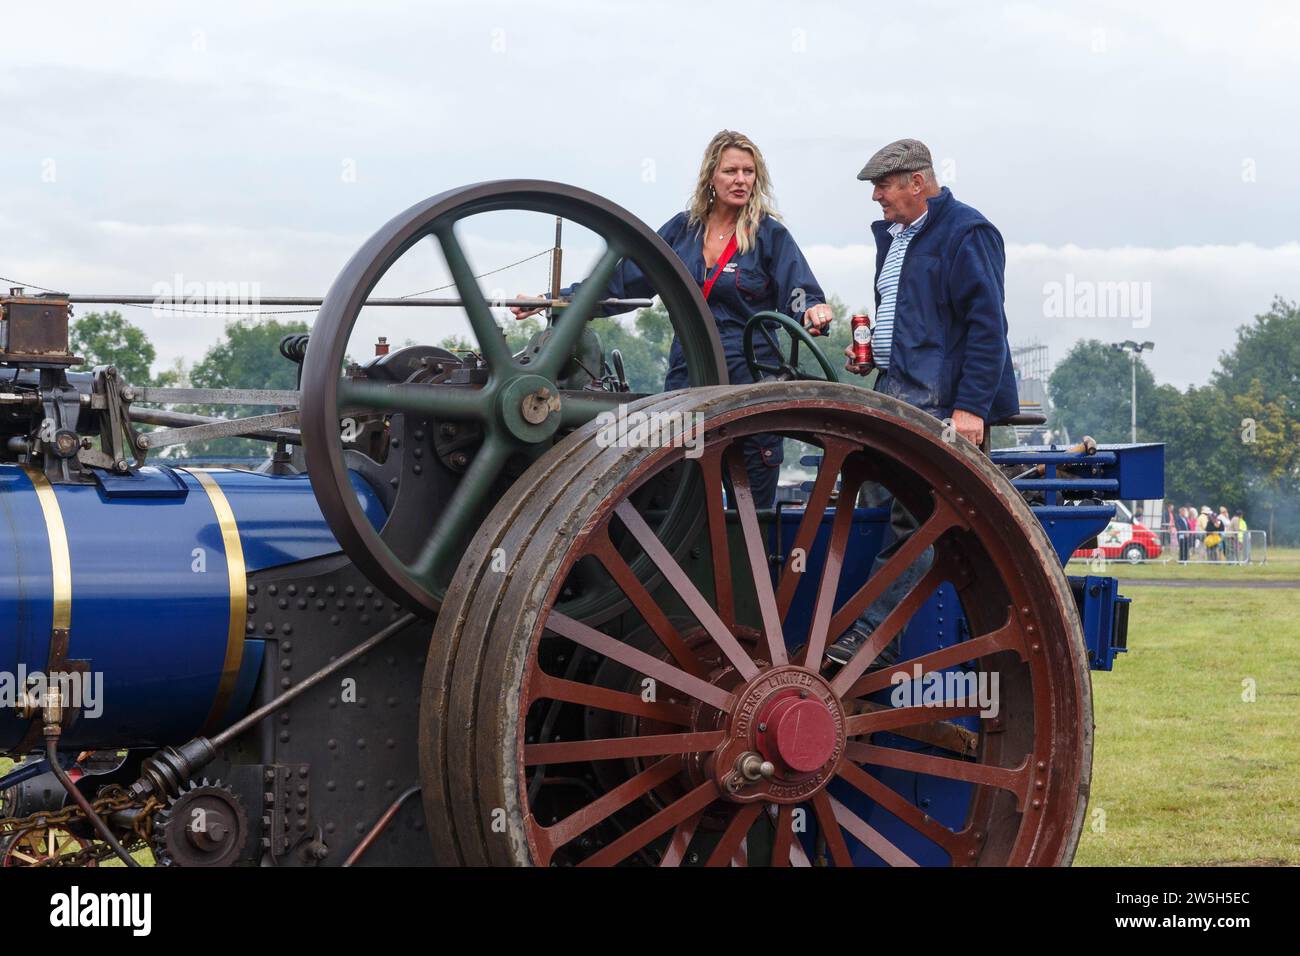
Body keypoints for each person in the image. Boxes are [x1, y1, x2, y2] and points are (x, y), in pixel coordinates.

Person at [511, 129, 832, 509]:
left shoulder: (770, 236)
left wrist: (813, 309)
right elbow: (621, 283)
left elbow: (800, 292)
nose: (741, 180)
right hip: (689, 377)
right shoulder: (682, 231)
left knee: (754, 507)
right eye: (732, 171)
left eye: (749, 172)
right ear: (711, 176)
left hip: (749, 381)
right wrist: (556, 300)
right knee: (681, 494)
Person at [825, 138, 1018, 667]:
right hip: (897, 395)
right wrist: (872, 353)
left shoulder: (966, 232)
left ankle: (864, 641)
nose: (876, 198)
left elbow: (987, 327)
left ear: (918, 182)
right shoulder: (896, 238)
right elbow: (909, 320)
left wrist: (972, 407)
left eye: (883, 186)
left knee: (916, 523)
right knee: (870, 508)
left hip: (941, 410)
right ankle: (867, 640)